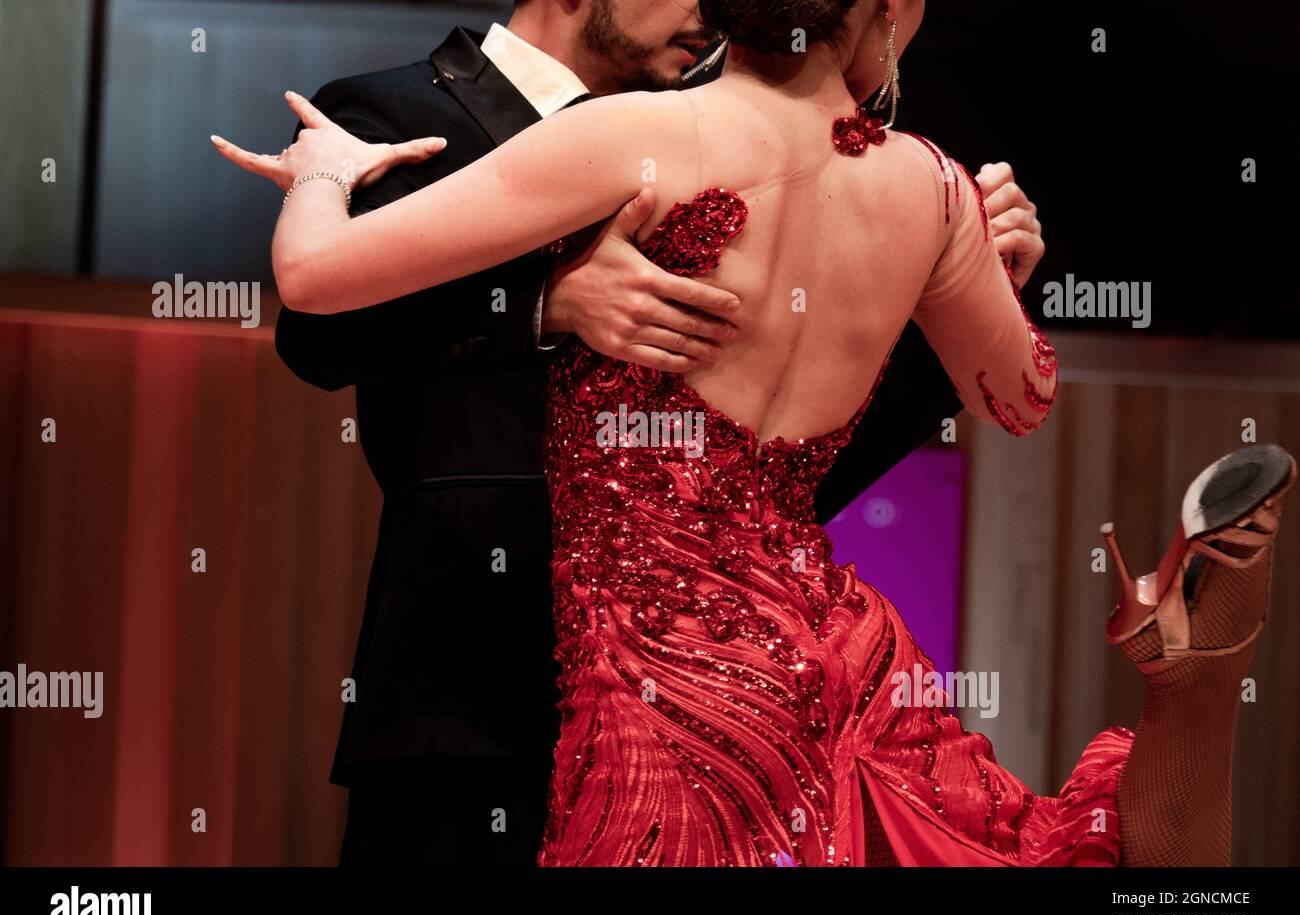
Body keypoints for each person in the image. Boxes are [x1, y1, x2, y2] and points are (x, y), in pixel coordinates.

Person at [217, 0, 1294, 865]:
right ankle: (1193, 683)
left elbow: (312, 274)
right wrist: (543, 302)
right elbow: (1019, 398)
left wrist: (317, 178)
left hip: (648, 678)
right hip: (768, 658)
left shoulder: (638, 134)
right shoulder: (927, 182)